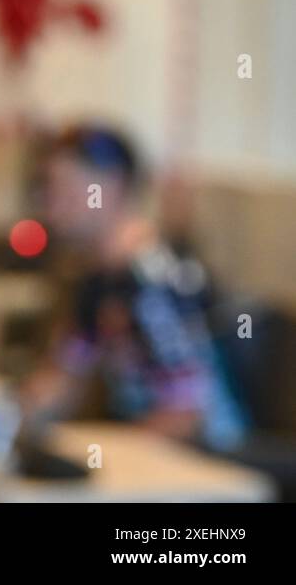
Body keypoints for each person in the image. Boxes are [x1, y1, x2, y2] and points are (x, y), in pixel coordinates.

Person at [18, 124, 247, 451]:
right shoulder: (96, 278)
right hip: (147, 453)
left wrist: (101, 452)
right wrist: (3, 417)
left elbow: (187, 416)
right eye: (47, 189)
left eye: (63, 187)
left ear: (111, 186)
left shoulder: (157, 278)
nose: (49, 205)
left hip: (209, 464)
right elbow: (64, 376)